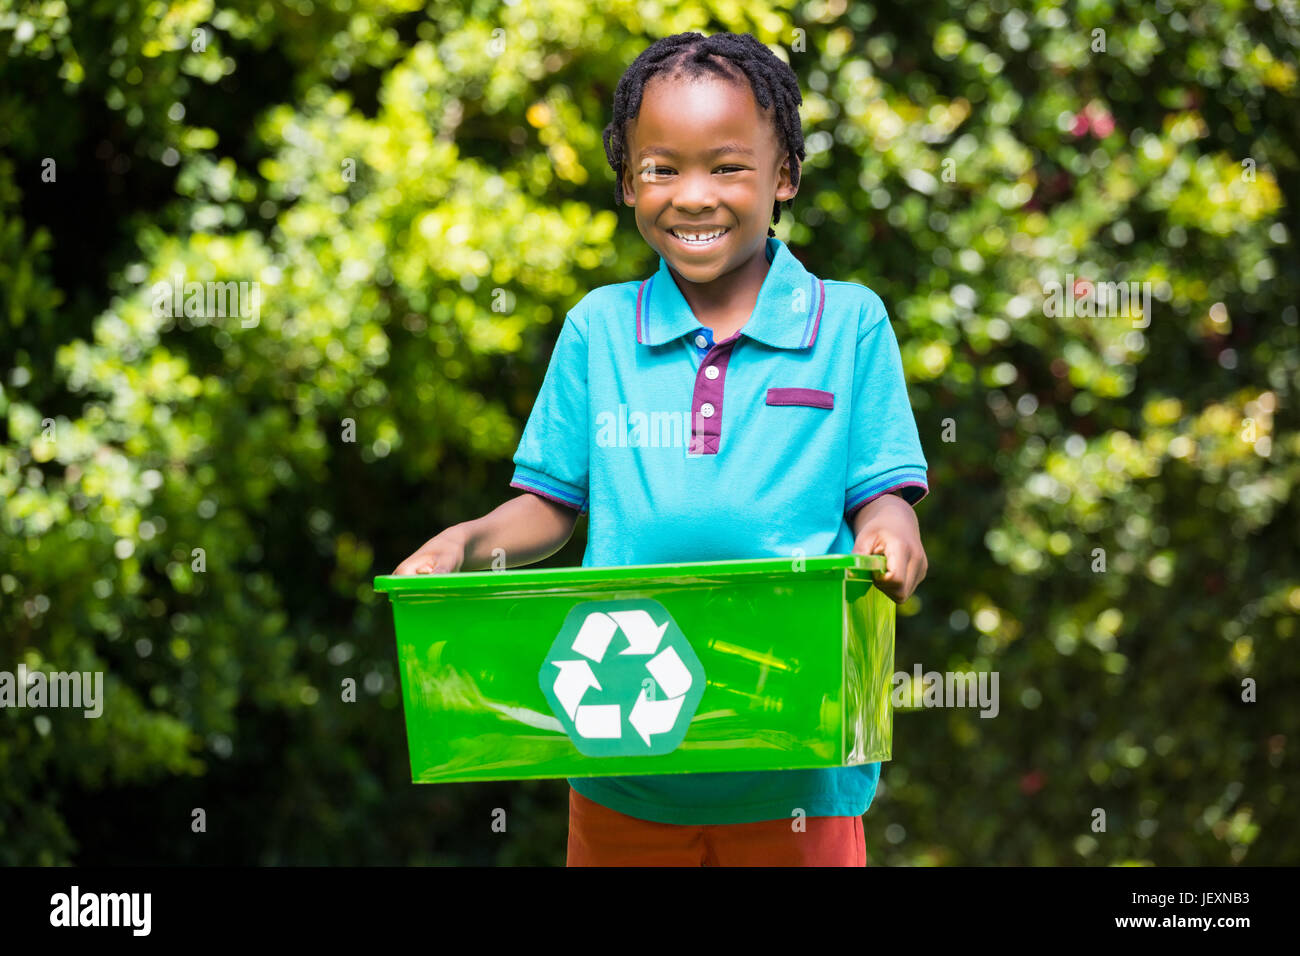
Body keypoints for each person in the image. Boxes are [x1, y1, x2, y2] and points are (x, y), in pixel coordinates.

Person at [393, 31, 929, 866]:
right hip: (622, 760)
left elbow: (880, 491)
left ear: (783, 175)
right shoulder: (599, 330)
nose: (694, 196)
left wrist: (894, 531)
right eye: (660, 169)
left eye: (727, 167)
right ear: (626, 182)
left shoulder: (848, 324)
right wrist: (466, 543)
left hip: (796, 759)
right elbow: (550, 506)